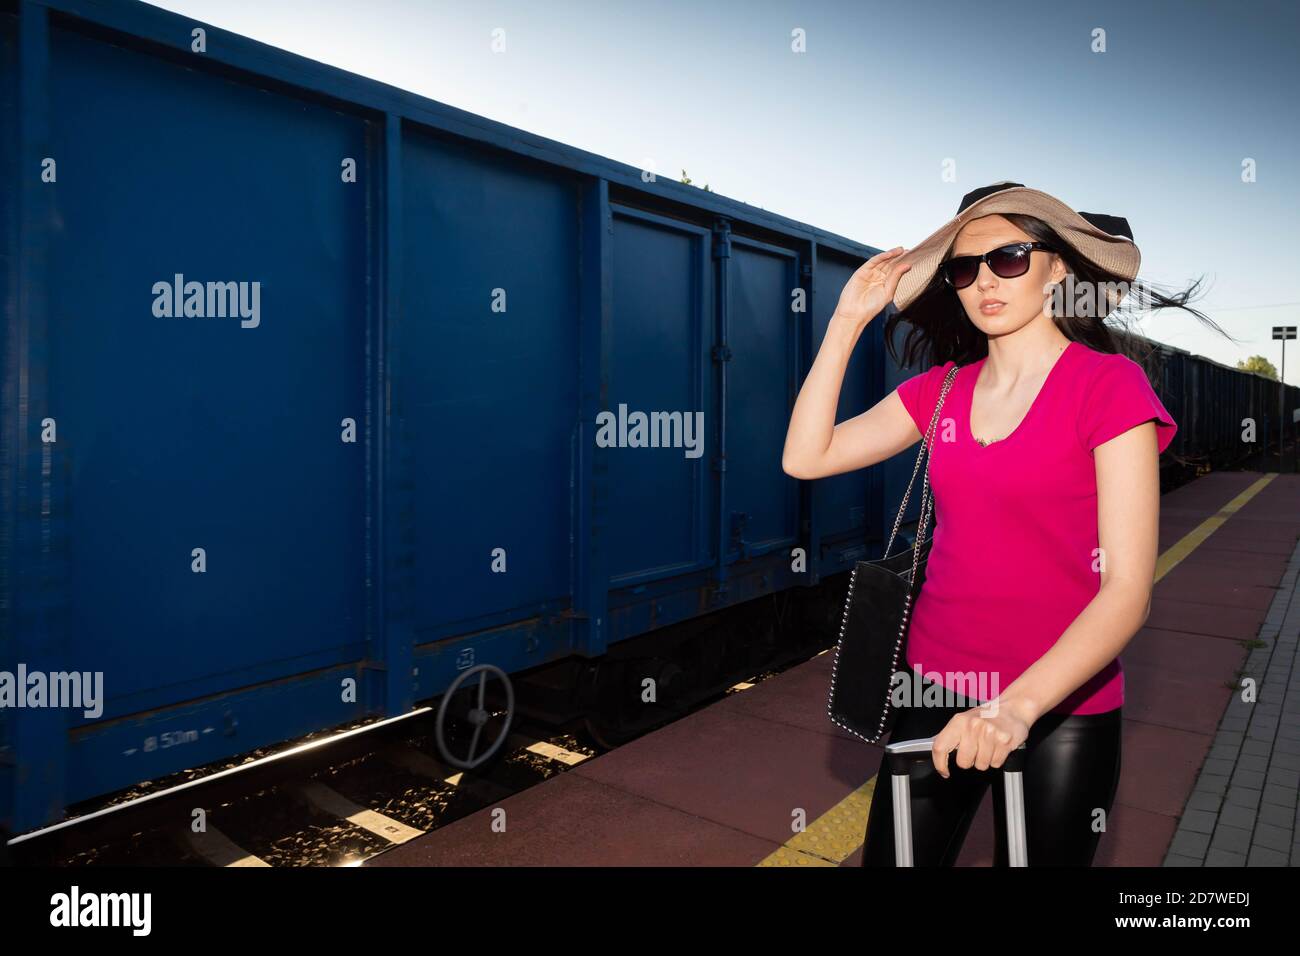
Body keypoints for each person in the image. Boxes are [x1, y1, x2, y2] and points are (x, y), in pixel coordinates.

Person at [782, 181, 1232, 866]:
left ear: (1057, 267)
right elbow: (806, 457)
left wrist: (1016, 708)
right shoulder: (938, 392)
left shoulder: (1108, 389)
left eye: (1010, 258)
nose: (984, 280)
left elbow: (1127, 591)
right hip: (931, 690)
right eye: (965, 268)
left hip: (1060, 708)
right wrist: (846, 321)